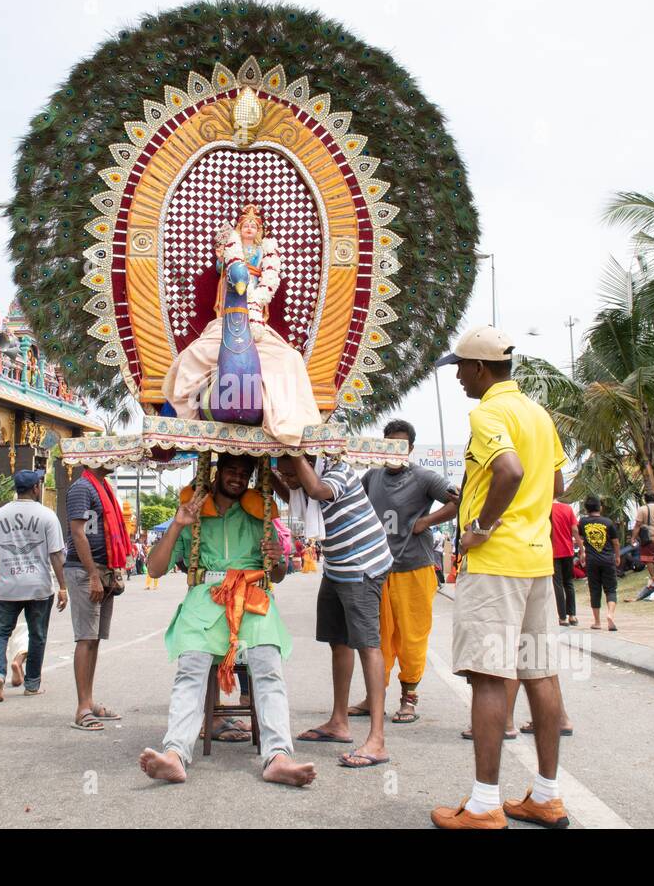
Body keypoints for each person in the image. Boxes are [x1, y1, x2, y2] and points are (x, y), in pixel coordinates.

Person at [430, 325, 570, 829]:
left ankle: (486, 805)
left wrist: (482, 528)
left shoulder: (488, 411)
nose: (459, 378)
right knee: (541, 674)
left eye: (461, 368)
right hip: (536, 564)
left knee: (490, 678)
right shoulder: (537, 413)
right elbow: (556, 482)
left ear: (481, 368)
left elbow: (507, 470)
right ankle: (547, 797)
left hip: (496, 564)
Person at [139, 453, 315, 787]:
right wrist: (178, 523)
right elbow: (154, 569)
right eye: (231, 470)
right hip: (204, 601)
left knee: (268, 666)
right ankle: (175, 755)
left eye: (244, 473)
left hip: (253, 599)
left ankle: (278, 756)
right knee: (191, 667)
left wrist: (277, 560)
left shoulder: (258, 515)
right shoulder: (194, 512)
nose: (237, 477)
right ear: (218, 472)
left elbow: (276, 575)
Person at [161, 207, 321, 445]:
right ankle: (179, 413)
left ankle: (297, 420)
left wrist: (257, 295)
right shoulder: (231, 249)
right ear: (239, 228)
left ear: (259, 231)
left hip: (256, 313)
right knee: (192, 355)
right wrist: (223, 257)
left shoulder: (263, 253)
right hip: (230, 314)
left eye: (254, 226)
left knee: (292, 358)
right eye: (246, 225)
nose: (249, 228)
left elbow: (268, 279)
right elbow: (221, 271)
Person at [274, 454, 392, 769]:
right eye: (282, 473)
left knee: (368, 645)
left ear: (310, 461)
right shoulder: (304, 478)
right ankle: (339, 722)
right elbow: (297, 492)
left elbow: (315, 491)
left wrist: (293, 447)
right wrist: (269, 471)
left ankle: (377, 740)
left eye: (290, 472)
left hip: (362, 566)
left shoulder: (339, 471)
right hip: (338, 566)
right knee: (338, 640)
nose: (287, 479)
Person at [353, 419, 456, 724]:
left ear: (410, 448)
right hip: (378, 569)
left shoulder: (424, 477)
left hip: (415, 568)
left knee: (412, 637)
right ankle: (374, 697)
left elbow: (459, 500)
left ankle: (408, 699)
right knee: (378, 637)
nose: (394, 452)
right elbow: (353, 504)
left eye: (400, 446)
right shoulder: (371, 476)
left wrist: (427, 521)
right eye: (389, 445)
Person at [0, 469, 67, 701]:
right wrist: (63, 587)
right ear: (36, 488)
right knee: (37, 636)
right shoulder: (47, 516)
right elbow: (57, 555)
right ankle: (32, 683)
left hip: (9, 586)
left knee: (0, 633)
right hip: (39, 586)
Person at [62, 464, 131, 731]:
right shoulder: (82, 487)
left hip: (105, 569)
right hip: (85, 570)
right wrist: (92, 574)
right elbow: (78, 532)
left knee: (95, 640)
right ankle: (82, 708)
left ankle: (89, 701)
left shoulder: (104, 487)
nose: (115, 459)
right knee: (86, 638)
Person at [578, 496, 621, 631]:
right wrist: (617, 556)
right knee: (611, 589)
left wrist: (582, 553)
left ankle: (597, 622)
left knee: (594, 590)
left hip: (592, 561)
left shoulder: (583, 522)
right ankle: (610, 615)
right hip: (608, 559)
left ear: (586, 509)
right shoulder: (607, 522)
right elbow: (615, 542)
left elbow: (580, 538)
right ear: (600, 508)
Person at [549, 498, 581, 627]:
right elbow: (574, 530)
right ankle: (572, 615)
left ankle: (562, 618)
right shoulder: (567, 508)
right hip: (568, 550)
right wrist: (581, 547)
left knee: (557, 584)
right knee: (569, 582)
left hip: (552, 551)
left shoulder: (546, 509)